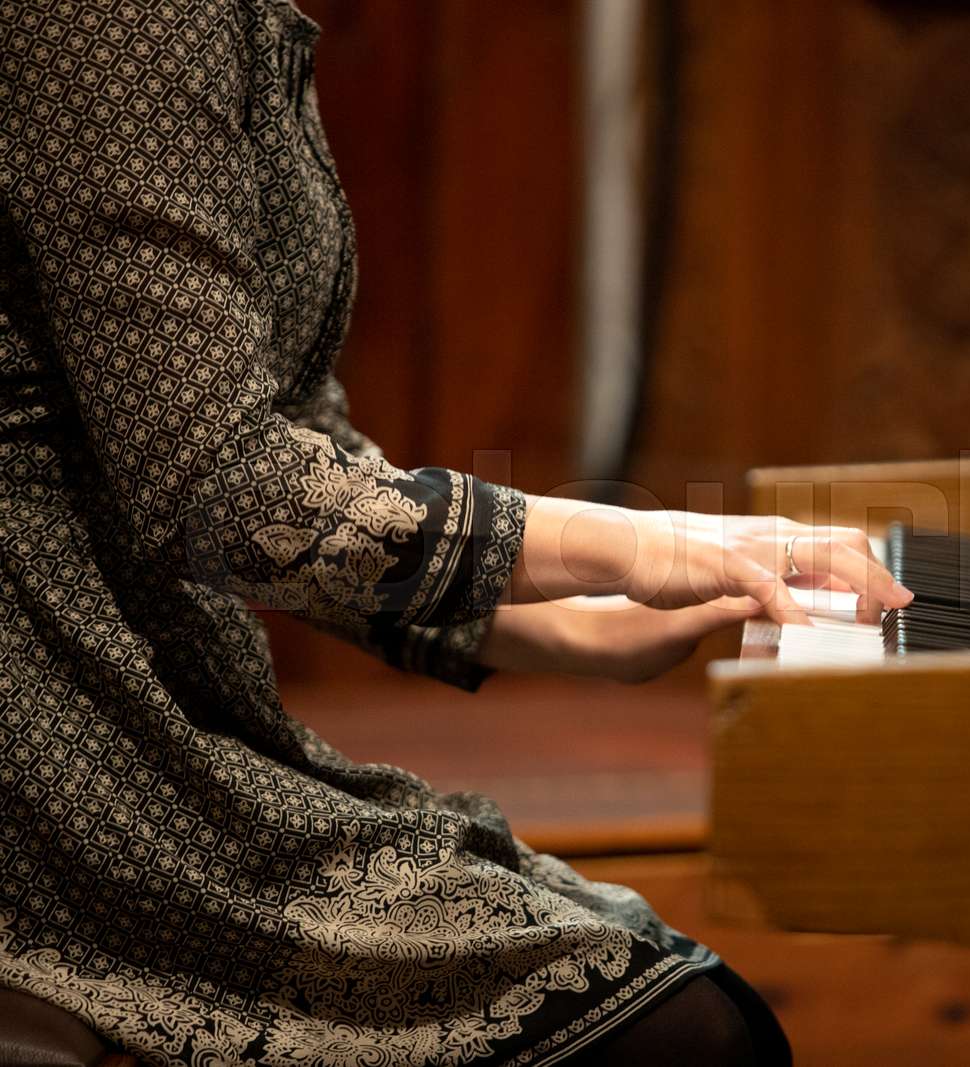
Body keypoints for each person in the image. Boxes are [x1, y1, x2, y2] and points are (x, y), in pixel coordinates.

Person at [0, 1, 911, 1062]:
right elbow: (228, 487)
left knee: (676, 995)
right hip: (55, 742)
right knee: (688, 1035)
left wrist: (570, 625)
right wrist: (644, 542)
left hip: (148, 698)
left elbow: (299, 442)